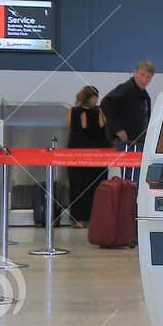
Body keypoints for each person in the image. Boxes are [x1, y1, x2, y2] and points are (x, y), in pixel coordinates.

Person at [65, 86, 107, 227]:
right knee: (96, 186)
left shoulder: (72, 111)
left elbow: (72, 127)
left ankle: (78, 219)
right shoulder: (99, 111)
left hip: (76, 154)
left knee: (77, 186)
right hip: (97, 154)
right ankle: (95, 217)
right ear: (92, 97)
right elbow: (103, 127)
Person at [101, 60, 154, 147]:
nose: (144, 79)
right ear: (135, 73)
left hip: (138, 141)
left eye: (148, 77)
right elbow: (105, 103)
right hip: (125, 142)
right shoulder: (126, 89)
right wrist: (118, 129)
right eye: (142, 75)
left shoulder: (144, 94)